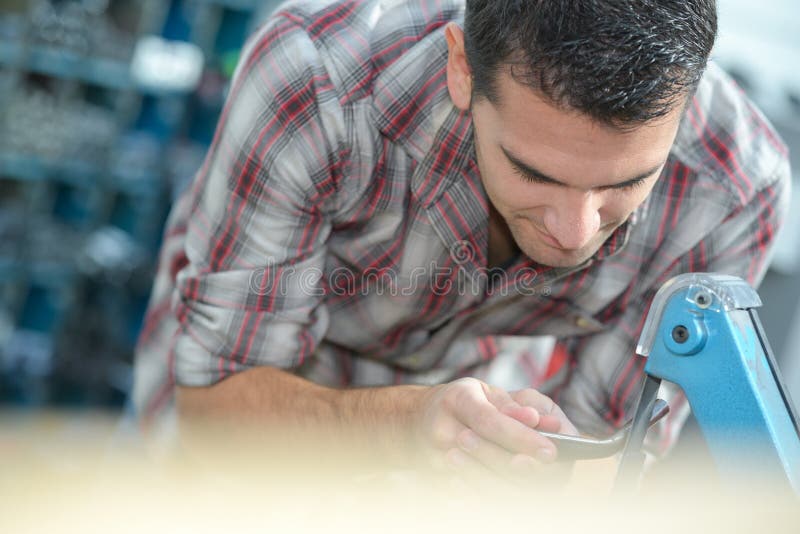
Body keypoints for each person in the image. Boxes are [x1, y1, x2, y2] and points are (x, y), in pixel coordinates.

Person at [133, 0, 790, 476]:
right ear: (461, 70)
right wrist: (398, 430)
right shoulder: (317, 79)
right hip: (255, 386)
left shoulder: (733, 191)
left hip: (476, 390)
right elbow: (213, 403)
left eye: (627, 182)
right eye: (535, 173)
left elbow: (607, 456)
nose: (575, 233)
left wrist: (552, 472)